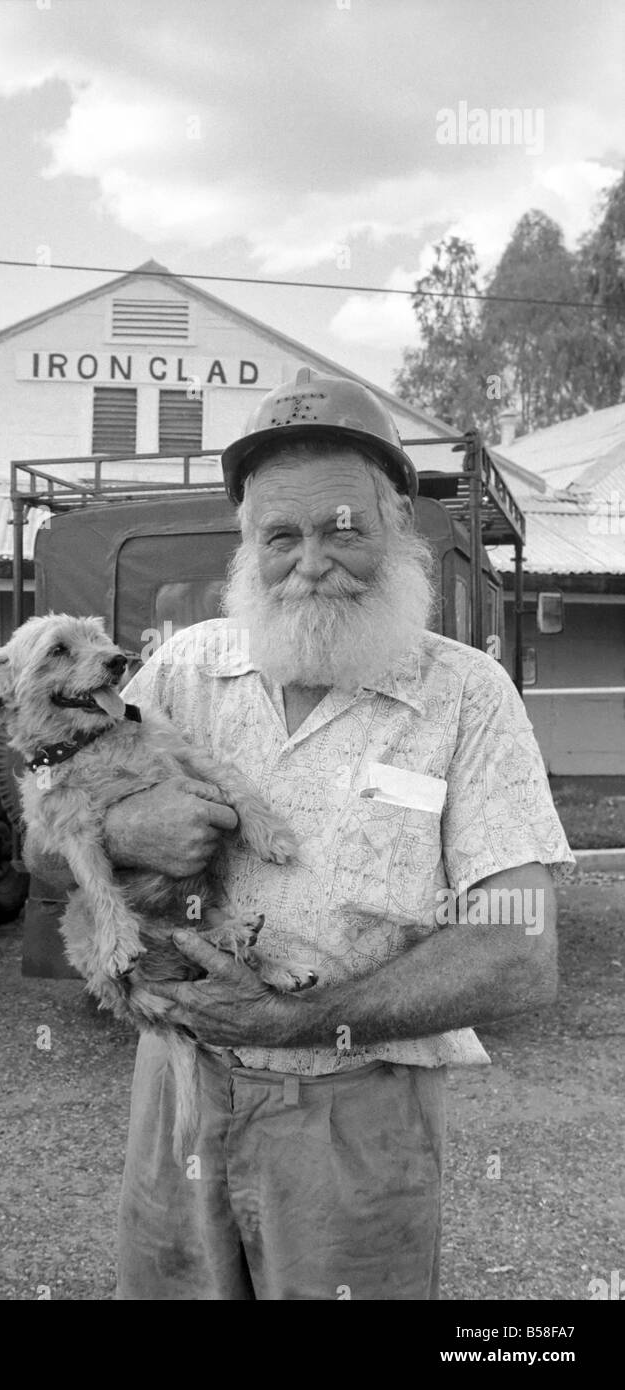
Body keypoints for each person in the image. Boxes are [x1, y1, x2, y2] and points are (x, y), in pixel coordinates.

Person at [103, 370, 575, 1301]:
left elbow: (520, 947)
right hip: (176, 1090)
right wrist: (122, 826)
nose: (310, 559)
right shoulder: (181, 674)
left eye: (342, 528)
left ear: (397, 526)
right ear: (245, 544)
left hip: (355, 1116)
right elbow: (43, 843)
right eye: (280, 534)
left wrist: (305, 1018)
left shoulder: (465, 698)